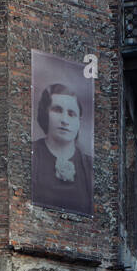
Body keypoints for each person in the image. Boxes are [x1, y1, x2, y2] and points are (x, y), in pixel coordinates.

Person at [31, 82, 93, 216]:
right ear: (45, 114)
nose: (65, 120)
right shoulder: (30, 156)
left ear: (78, 122)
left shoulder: (89, 167)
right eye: (57, 110)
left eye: (71, 114)